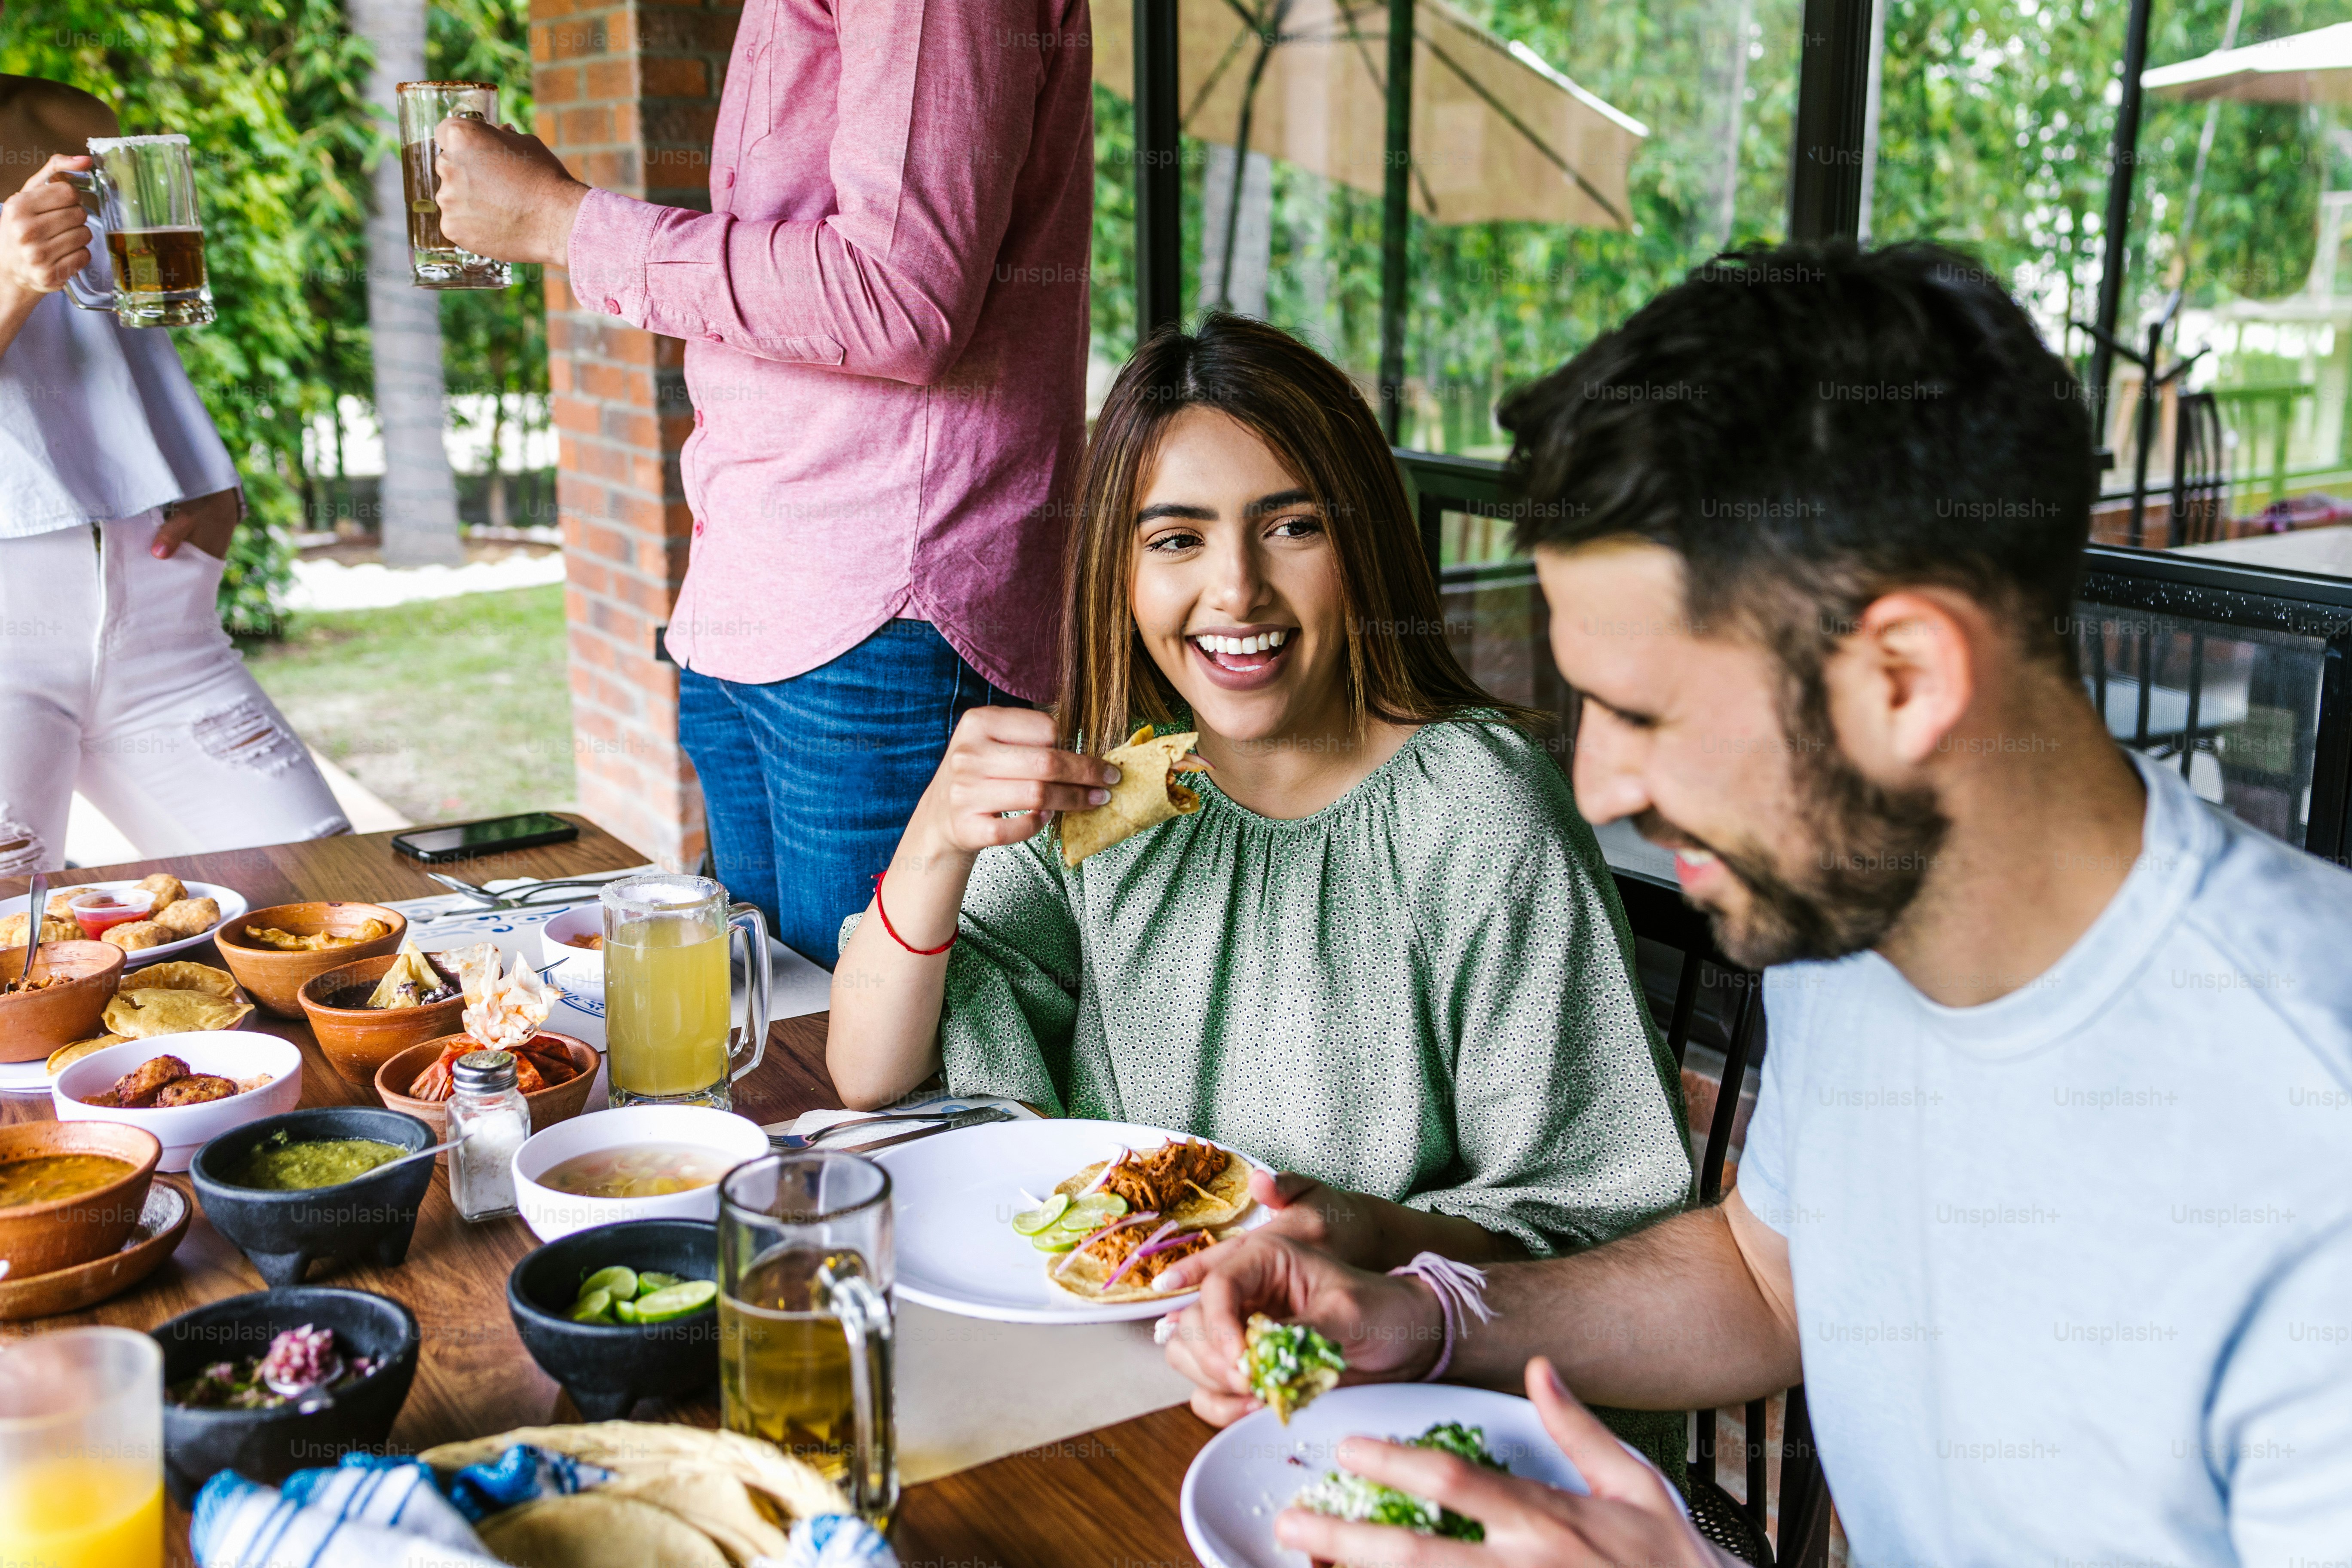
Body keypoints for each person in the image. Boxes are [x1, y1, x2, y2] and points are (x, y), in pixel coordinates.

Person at [1156, 245, 2352, 1566]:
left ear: (1902, 677)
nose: (1598, 787)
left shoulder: (2311, 1148)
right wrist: (1432, 1315)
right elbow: (1769, 1277)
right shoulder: (1857, 912)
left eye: (1645, 712)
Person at [827, 313, 1694, 1461]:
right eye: (1175, 540)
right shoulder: (1119, 779)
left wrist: (1359, 1238)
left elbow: (1591, 1221)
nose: (1235, 591)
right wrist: (938, 841)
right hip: (1121, 1375)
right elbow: (867, 1069)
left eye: (1291, 526)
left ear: (1366, 543)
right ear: (1119, 572)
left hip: (1374, 1402)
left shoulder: (1478, 813)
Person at [425, 2, 1093, 964]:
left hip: (882, 616)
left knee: (881, 1086)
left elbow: (898, 299)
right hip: (760, 596)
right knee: (774, 1040)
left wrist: (562, 221)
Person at [0, 75, 349, 871]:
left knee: (328, 904)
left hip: (160, 616)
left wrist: (204, 469)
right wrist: (11, 282)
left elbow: (130, 325)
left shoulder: (69, 118)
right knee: (17, 966)